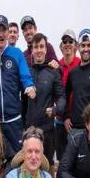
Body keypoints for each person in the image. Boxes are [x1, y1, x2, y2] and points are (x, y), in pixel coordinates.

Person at [0, 15, 36, 153]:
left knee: (17, 158)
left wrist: (30, 86)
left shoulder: (16, 54)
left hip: (14, 121)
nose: (1, 34)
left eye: (3, 30)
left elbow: (25, 76)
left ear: (7, 33)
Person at [26, 33, 65, 167]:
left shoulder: (53, 72)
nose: (39, 50)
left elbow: (61, 96)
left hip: (47, 132)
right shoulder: (26, 73)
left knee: (47, 169)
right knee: (29, 168)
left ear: (46, 49)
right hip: (29, 131)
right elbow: (22, 102)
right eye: (36, 47)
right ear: (32, 50)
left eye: (42, 46)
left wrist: (56, 109)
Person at [55, 29, 80, 161]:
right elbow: (55, 93)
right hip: (60, 120)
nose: (67, 44)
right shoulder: (57, 66)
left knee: (77, 159)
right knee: (61, 159)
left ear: (76, 46)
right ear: (61, 46)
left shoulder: (80, 64)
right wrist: (64, 116)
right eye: (65, 42)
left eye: (71, 41)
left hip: (77, 121)